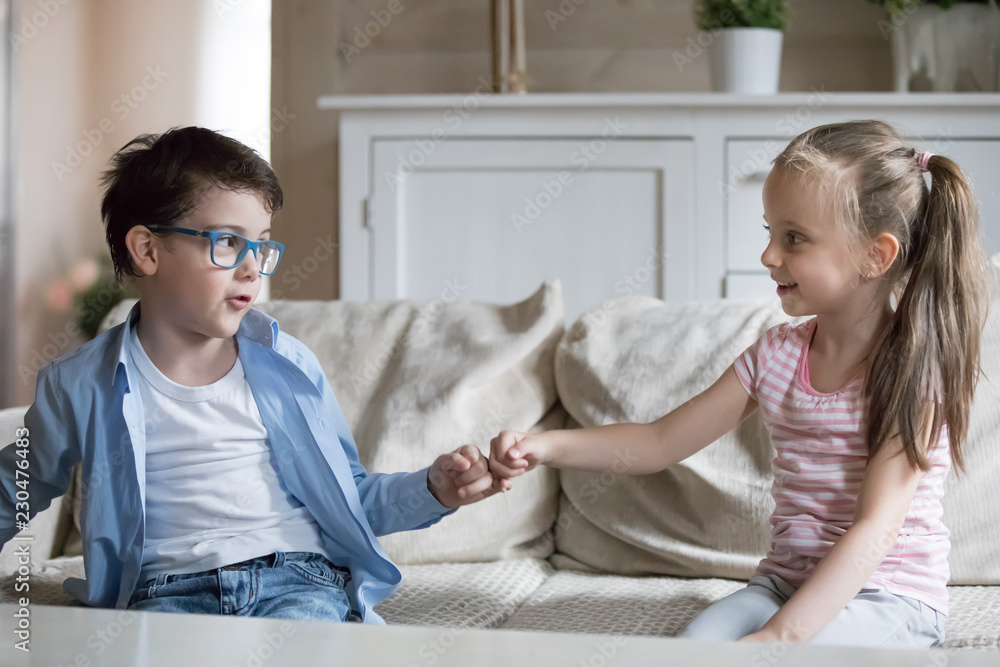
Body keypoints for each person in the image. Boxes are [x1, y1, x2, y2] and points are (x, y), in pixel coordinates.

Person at [489, 120, 989, 647]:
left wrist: (781, 637)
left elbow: (875, 530)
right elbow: (658, 443)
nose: (769, 257)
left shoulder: (915, 367)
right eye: (769, 232)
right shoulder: (775, 354)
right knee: (688, 653)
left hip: (889, 593)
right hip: (782, 585)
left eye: (794, 238)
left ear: (876, 255)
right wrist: (542, 445)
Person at [0, 127, 498, 622]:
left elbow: (350, 498)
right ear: (147, 250)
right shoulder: (80, 384)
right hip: (166, 595)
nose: (252, 269)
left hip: (297, 580)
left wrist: (432, 489)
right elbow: (14, 486)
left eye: (259, 246)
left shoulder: (289, 365)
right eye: (227, 244)